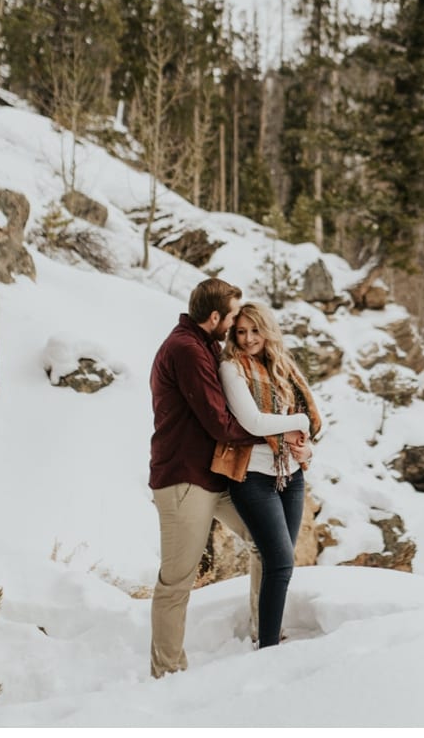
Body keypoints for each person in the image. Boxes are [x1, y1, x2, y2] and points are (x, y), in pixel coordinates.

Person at [148, 278, 310, 678]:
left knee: (267, 546)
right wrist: (280, 431)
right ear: (216, 316)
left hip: (213, 477)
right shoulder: (186, 350)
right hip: (184, 480)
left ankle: (265, 632)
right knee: (176, 580)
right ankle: (167, 672)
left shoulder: (204, 345)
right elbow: (222, 424)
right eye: (234, 316)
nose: (239, 324)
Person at [214, 302, 324, 649]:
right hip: (254, 475)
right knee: (279, 562)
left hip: (291, 475)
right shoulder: (232, 368)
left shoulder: (282, 365)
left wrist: (308, 450)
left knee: (281, 561)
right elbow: (253, 422)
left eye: (255, 331)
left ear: (268, 330)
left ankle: (267, 634)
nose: (248, 339)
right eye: (241, 332)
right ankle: (268, 647)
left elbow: (313, 418)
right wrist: (298, 424)